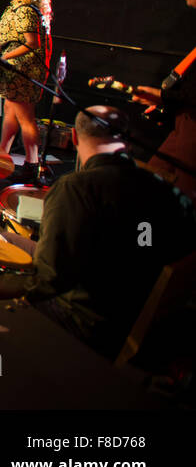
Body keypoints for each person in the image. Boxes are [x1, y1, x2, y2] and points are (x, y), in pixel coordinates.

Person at [27, 106, 196, 360]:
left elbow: (47, 281)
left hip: (81, 328)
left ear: (74, 137)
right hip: (138, 328)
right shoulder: (166, 191)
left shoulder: (75, 189)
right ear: (127, 139)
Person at [130, 0, 196, 198]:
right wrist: (164, 98)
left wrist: (163, 96)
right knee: (152, 181)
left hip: (191, 133)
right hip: (183, 126)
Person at [0, 0, 52, 184]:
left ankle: (32, 164)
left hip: (22, 71)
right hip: (14, 71)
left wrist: (4, 56)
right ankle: (1, 156)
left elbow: (31, 43)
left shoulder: (25, 10)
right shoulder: (18, 9)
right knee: (10, 113)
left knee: (25, 118)